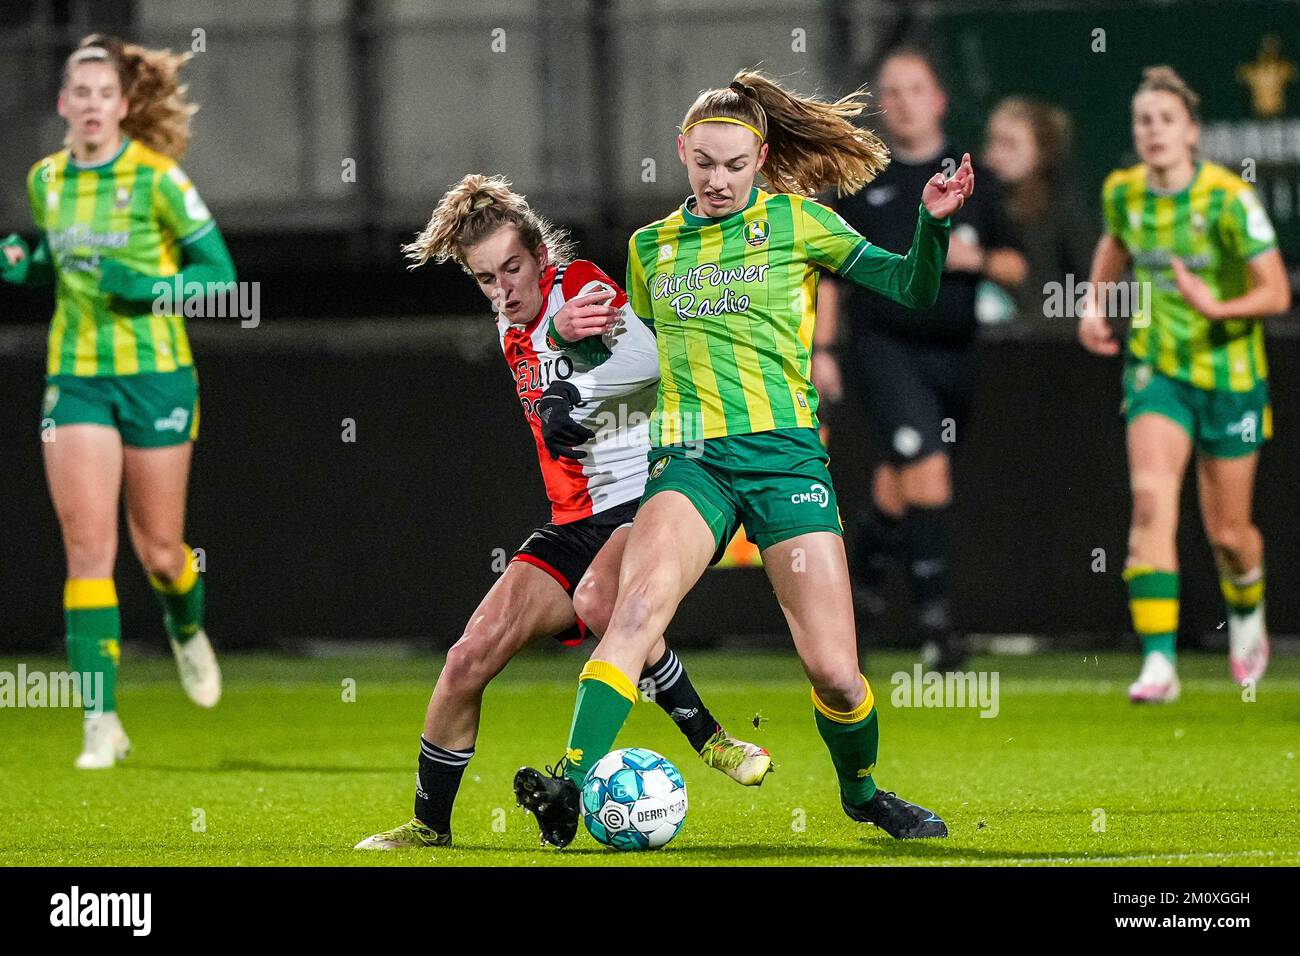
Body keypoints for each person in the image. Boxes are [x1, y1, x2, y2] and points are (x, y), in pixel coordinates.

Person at [515, 69, 969, 848]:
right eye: (703, 163)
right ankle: (570, 780)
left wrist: (929, 226)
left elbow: (911, 288)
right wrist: (568, 347)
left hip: (787, 461)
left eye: (733, 164)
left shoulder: (800, 222)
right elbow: (635, 365)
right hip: (689, 462)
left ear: (759, 158)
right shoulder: (651, 248)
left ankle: (861, 795)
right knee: (633, 611)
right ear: (681, 155)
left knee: (834, 672)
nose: (718, 179)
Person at [355, 175, 770, 850]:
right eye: (485, 278)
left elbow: (648, 357)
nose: (503, 289)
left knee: (602, 599)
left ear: (541, 256)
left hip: (644, 498)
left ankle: (712, 741)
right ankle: (429, 826)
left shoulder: (577, 286)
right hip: (573, 520)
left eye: (513, 269)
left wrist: (577, 381)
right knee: (468, 656)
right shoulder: (509, 317)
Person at [0, 35, 233, 768]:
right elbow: (58, 263)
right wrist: (25, 264)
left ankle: (184, 623)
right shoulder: (47, 181)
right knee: (87, 552)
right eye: (82, 92)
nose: (93, 104)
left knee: (162, 551)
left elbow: (221, 277)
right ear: (65, 104)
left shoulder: (158, 179)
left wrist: (150, 291)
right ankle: (100, 721)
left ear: (124, 106)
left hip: (157, 376)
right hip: (76, 379)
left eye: (107, 93)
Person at [1078, 66, 1289, 702]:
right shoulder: (1125, 191)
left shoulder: (1228, 199)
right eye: (1144, 121)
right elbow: (1116, 243)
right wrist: (1094, 303)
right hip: (1157, 371)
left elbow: (1275, 292)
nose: (1154, 131)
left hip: (1230, 375)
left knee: (1229, 534)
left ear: (1191, 132)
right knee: (1149, 505)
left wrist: (1215, 306)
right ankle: (1160, 664)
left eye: (1167, 120)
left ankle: (1247, 611)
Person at [814, 49, 1025, 672]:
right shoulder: (859, 184)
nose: (903, 102)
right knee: (927, 470)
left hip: (954, 356)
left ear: (939, 98)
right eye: (892, 91)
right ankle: (938, 632)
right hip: (884, 348)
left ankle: (861, 597)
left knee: (902, 486)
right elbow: (827, 275)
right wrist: (822, 350)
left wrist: (975, 260)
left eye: (915, 89)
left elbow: (1017, 266)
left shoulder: (970, 176)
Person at [983, 96, 1094, 330]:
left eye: (1010, 144)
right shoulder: (977, 205)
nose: (997, 155)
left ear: (1042, 152)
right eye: (993, 142)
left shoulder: (1066, 215)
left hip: (1051, 342)